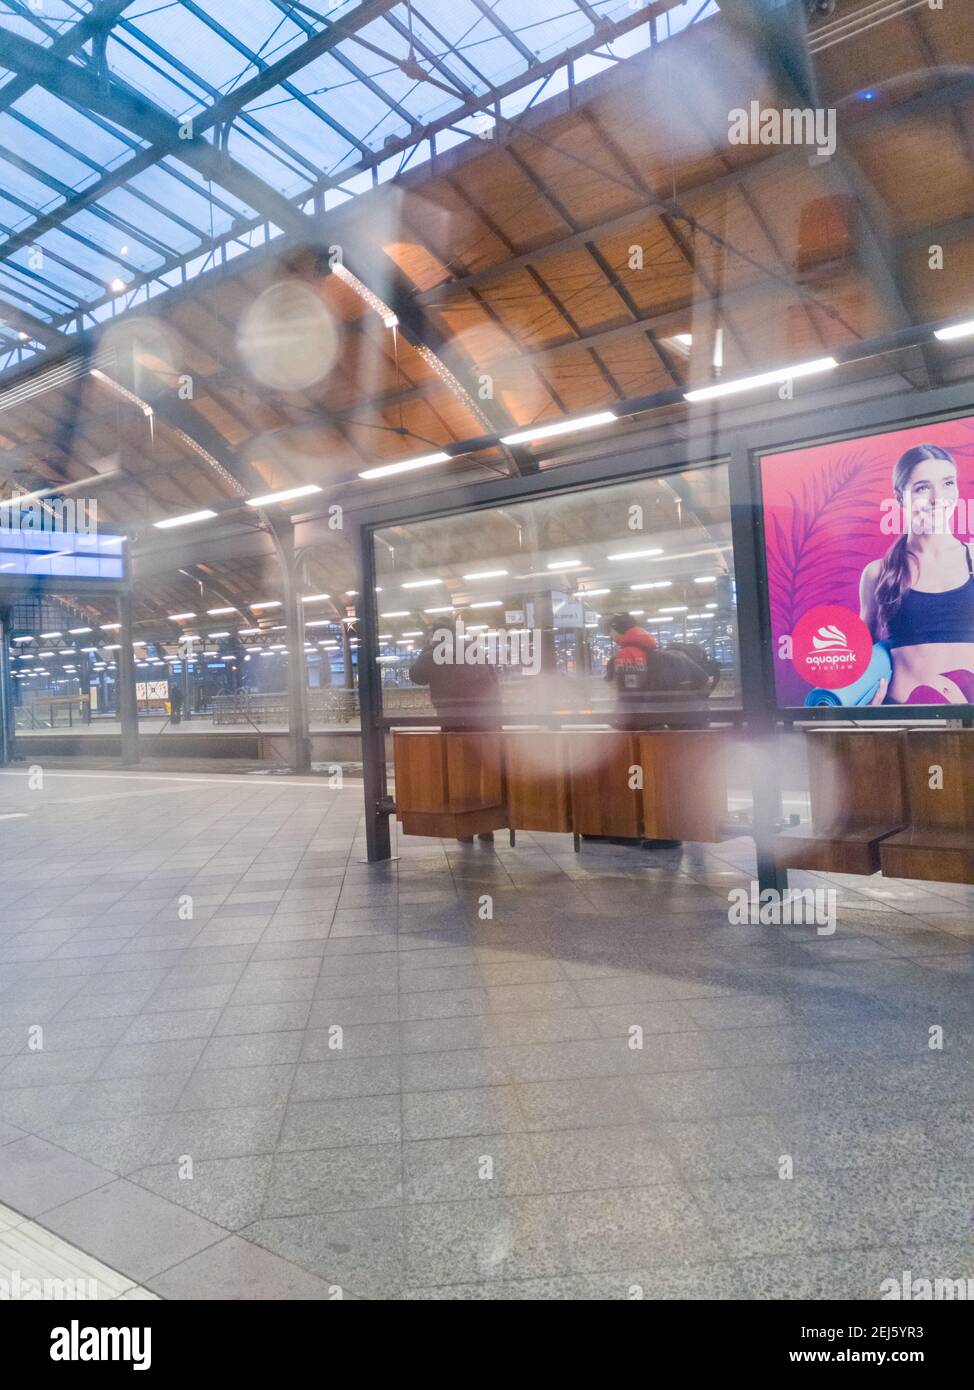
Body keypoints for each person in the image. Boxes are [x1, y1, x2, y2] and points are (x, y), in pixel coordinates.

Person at [860, 444, 974, 705]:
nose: (938, 498)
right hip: (902, 717)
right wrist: (864, 701)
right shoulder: (878, 573)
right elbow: (862, 656)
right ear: (900, 497)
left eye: (947, 483)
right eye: (923, 488)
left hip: (969, 720)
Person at [409, 620, 502, 842]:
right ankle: (485, 826)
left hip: (455, 722)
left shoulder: (435, 653)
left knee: (461, 771)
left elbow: (416, 675)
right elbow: (493, 681)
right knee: (482, 770)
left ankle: (467, 827)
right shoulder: (472, 648)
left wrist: (426, 646)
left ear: (436, 634)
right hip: (484, 721)